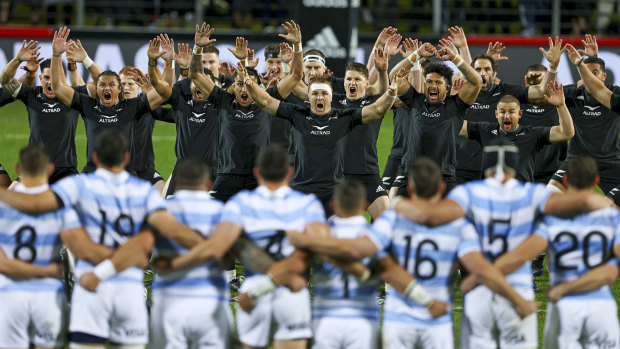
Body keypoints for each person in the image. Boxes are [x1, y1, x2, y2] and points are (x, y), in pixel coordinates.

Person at [287, 157, 538, 349]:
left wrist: (310, 241)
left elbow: (355, 248)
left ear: (412, 188)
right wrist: (517, 299)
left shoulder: (393, 219)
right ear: (441, 188)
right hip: (437, 318)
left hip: (399, 318)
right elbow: (482, 269)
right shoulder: (457, 226)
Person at [390, 139, 612, 349]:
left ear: (485, 162)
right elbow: (578, 201)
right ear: (516, 165)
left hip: (479, 294)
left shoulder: (467, 193)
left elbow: (430, 215)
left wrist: (398, 203)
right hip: (517, 290)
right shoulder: (531, 194)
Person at [0, 130, 203, 347]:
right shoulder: (143, 192)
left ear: (95, 158)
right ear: (126, 158)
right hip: (129, 290)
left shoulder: (78, 187)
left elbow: (34, 202)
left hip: (91, 288)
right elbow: (172, 232)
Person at [164, 144, 329, 349]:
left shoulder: (241, 203)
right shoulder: (308, 204)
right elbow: (323, 248)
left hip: (254, 293)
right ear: (290, 172)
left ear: (257, 172)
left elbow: (216, 248)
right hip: (293, 291)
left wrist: (174, 263)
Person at [242, 57, 408, 215]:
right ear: (309, 96)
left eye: (324, 93)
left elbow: (378, 109)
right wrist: (249, 84)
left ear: (331, 97)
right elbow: (266, 101)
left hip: (334, 191)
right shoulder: (297, 114)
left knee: (348, 228)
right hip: (302, 189)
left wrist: (392, 90)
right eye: (314, 94)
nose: (319, 97)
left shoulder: (344, 118)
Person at [490, 157, 620, 349]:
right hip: (600, 308)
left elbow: (518, 257)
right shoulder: (612, 218)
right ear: (596, 182)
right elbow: (611, 271)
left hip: (563, 307)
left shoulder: (550, 218)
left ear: (565, 181)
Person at [188, 21, 303, 202]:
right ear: (234, 85)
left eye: (249, 85)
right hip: (227, 175)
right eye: (240, 84)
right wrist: (197, 48)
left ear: (257, 87)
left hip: (258, 177)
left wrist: (297, 45)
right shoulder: (223, 100)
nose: (244, 90)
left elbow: (296, 76)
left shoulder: (266, 100)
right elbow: (195, 75)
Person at [49, 27, 167, 174]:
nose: (107, 89)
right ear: (96, 89)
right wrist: (56, 55)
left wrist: (157, 62)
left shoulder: (133, 106)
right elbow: (58, 87)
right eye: (102, 85)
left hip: (124, 172)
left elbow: (165, 93)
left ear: (119, 90)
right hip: (93, 171)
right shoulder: (86, 104)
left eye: (112, 85)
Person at [455, 37, 563, 184]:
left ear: (494, 74)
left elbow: (541, 91)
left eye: (487, 69)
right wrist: (463, 49)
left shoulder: (507, 91)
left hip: (495, 172)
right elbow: (448, 118)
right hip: (461, 168)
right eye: (478, 70)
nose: (482, 73)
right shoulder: (464, 93)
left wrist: (553, 66)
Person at [149, 158, 232, 348]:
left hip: (169, 303)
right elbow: (232, 255)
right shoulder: (223, 212)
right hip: (210, 304)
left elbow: (140, 253)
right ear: (209, 184)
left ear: (175, 184)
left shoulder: (160, 211)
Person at [390, 38, 482, 197]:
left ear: (447, 88)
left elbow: (476, 81)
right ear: (424, 85)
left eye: (438, 82)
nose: (433, 85)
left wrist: (455, 58)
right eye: (429, 81)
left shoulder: (456, 106)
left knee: (447, 220)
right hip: (412, 176)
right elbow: (394, 76)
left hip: (443, 178)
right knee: (402, 218)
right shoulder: (414, 101)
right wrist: (417, 55)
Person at [0, 145, 69, 349]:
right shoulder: (62, 204)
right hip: (46, 294)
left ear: (18, 169)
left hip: (10, 293)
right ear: (49, 169)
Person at [310, 179, 381, 349]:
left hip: (326, 320)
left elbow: (294, 267)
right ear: (364, 205)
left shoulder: (319, 236)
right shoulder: (377, 237)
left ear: (333, 206)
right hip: (363, 320)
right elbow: (391, 273)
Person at [1, 41, 82, 183]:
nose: (50, 82)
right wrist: (17, 59)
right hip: (35, 169)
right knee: (9, 199)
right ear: (40, 78)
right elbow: (5, 81)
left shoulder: (72, 96)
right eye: (46, 78)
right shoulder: (31, 94)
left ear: (62, 78)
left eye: (55, 78)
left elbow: (93, 87)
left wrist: (78, 62)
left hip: (66, 172)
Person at [457, 84, 574, 182]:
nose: (506, 116)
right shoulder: (484, 130)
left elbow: (566, 133)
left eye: (511, 112)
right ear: (496, 114)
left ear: (520, 114)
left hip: (521, 197)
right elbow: (453, 125)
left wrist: (561, 105)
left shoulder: (532, 134)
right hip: (491, 195)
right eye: (502, 112)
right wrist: (454, 102)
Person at [549, 42, 620, 195]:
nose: (589, 77)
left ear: (604, 75)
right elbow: (546, 91)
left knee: (612, 210)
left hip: (610, 163)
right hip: (576, 161)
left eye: (595, 73)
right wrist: (553, 66)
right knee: (550, 195)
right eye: (586, 73)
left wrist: (589, 60)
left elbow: (599, 90)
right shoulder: (573, 93)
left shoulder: (615, 94)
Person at [336, 60, 390, 219]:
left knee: (386, 216)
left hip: (368, 174)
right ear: (344, 82)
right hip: (339, 175)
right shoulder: (332, 101)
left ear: (366, 84)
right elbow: (304, 90)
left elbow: (385, 93)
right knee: (341, 222)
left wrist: (382, 72)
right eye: (348, 79)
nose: (352, 82)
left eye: (357, 79)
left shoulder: (373, 103)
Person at [118, 66, 171, 193]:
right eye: (123, 84)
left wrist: (166, 64)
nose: (126, 88)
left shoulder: (147, 104)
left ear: (138, 87)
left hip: (146, 170)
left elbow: (165, 89)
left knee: (163, 194)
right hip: (120, 171)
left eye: (131, 84)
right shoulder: (110, 108)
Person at [519, 64, 568, 184]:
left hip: (551, 173)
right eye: (532, 80)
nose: (537, 85)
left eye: (541, 80)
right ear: (526, 81)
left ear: (549, 81)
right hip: (521, 172)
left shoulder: (560, 102)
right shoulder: (515, 102)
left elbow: (588, 89)